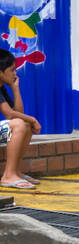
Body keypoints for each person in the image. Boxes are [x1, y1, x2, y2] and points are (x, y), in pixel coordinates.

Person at [0, 49, 40, 189]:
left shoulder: (2, 88)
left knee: (24, 124)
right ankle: (8, 176)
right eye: (11, 70)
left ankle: (15, 171)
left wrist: (15, 88)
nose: (15, 74)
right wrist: (33, 119)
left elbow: (18, 112)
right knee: (19, 124)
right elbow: (10, 115)